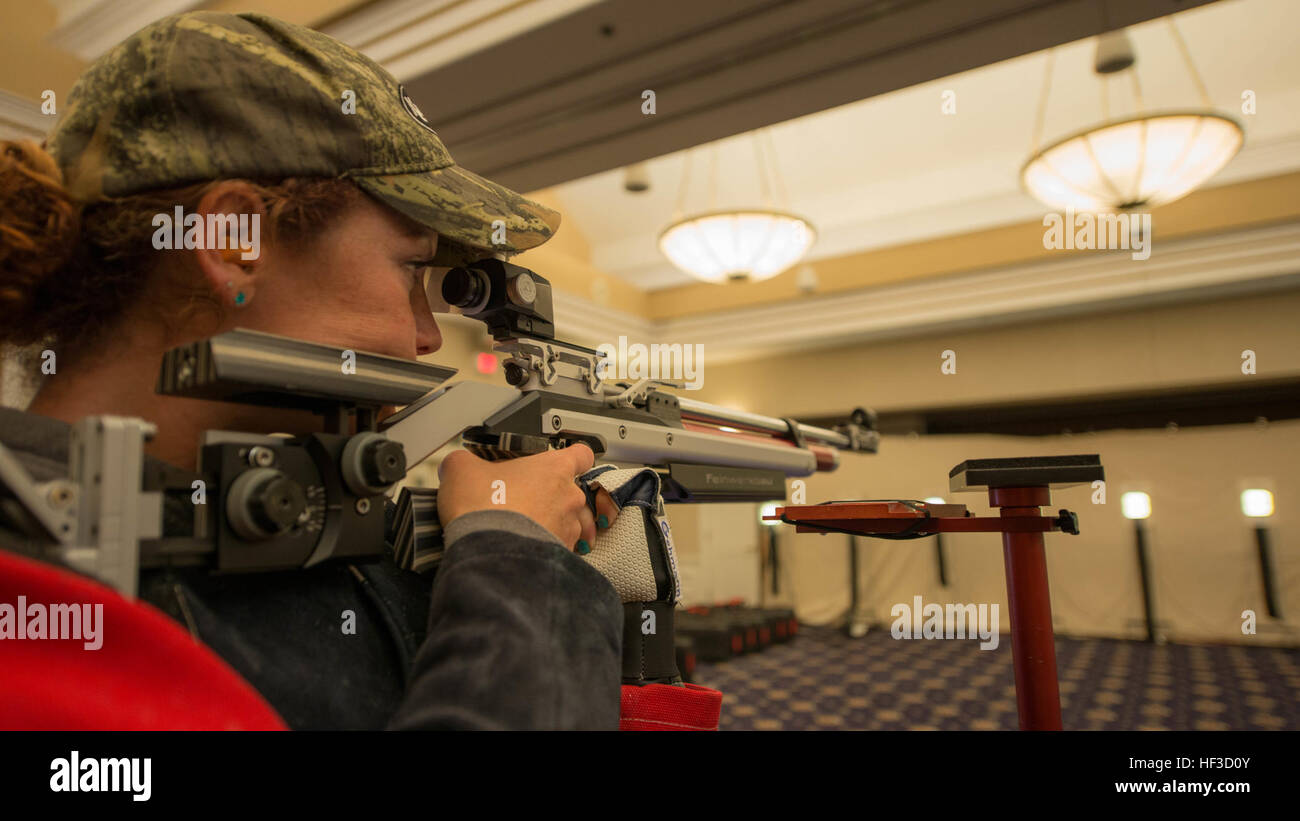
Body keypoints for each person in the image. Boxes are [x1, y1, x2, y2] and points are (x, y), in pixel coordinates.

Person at [0, 11, 626, 729]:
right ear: (234, 242)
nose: (426, 335)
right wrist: (521, 567)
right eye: (413, 268)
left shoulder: (284, 522)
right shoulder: (35, 614)